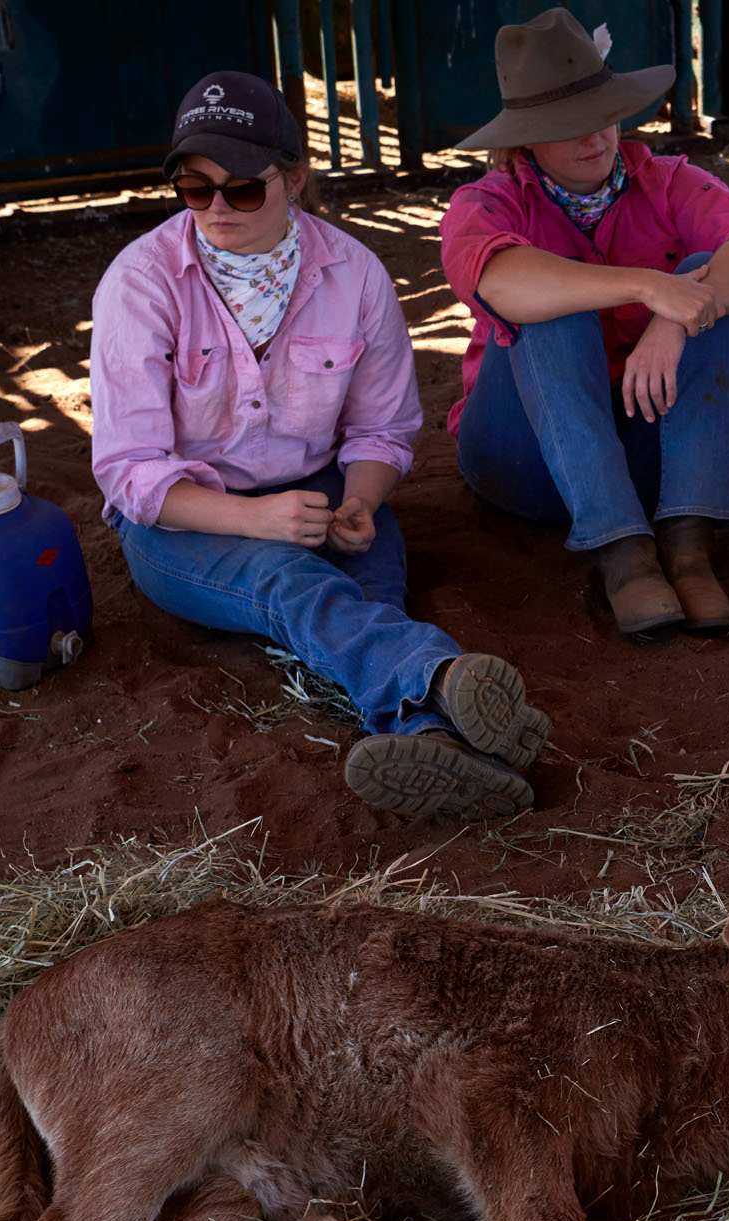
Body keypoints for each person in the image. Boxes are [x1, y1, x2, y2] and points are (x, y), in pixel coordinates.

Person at [90, 71, 549, 822]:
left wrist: (364, 500)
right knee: (292, 585)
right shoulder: (139, 284)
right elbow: (130, 472)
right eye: (194, 190)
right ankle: (445, 684)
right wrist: (259, 520)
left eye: (241, 190)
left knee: (363, 597)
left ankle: (431, 734)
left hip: (324, 493)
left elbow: (381, 430)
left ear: (294, 179)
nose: (216, 209)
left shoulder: (356, 274)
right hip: (182, 525)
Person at [439, 8, 729, 641]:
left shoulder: (670, 180)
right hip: (523, 461)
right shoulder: (485, 202)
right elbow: (500, 282)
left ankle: (688, 542)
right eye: (566, 126)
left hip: (643, 447)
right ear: (524, 140)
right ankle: (622, 552)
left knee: (713, 278)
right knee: (550, 302)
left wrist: (675, 319)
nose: (593, 138)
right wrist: (646, 286)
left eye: (602, 115)